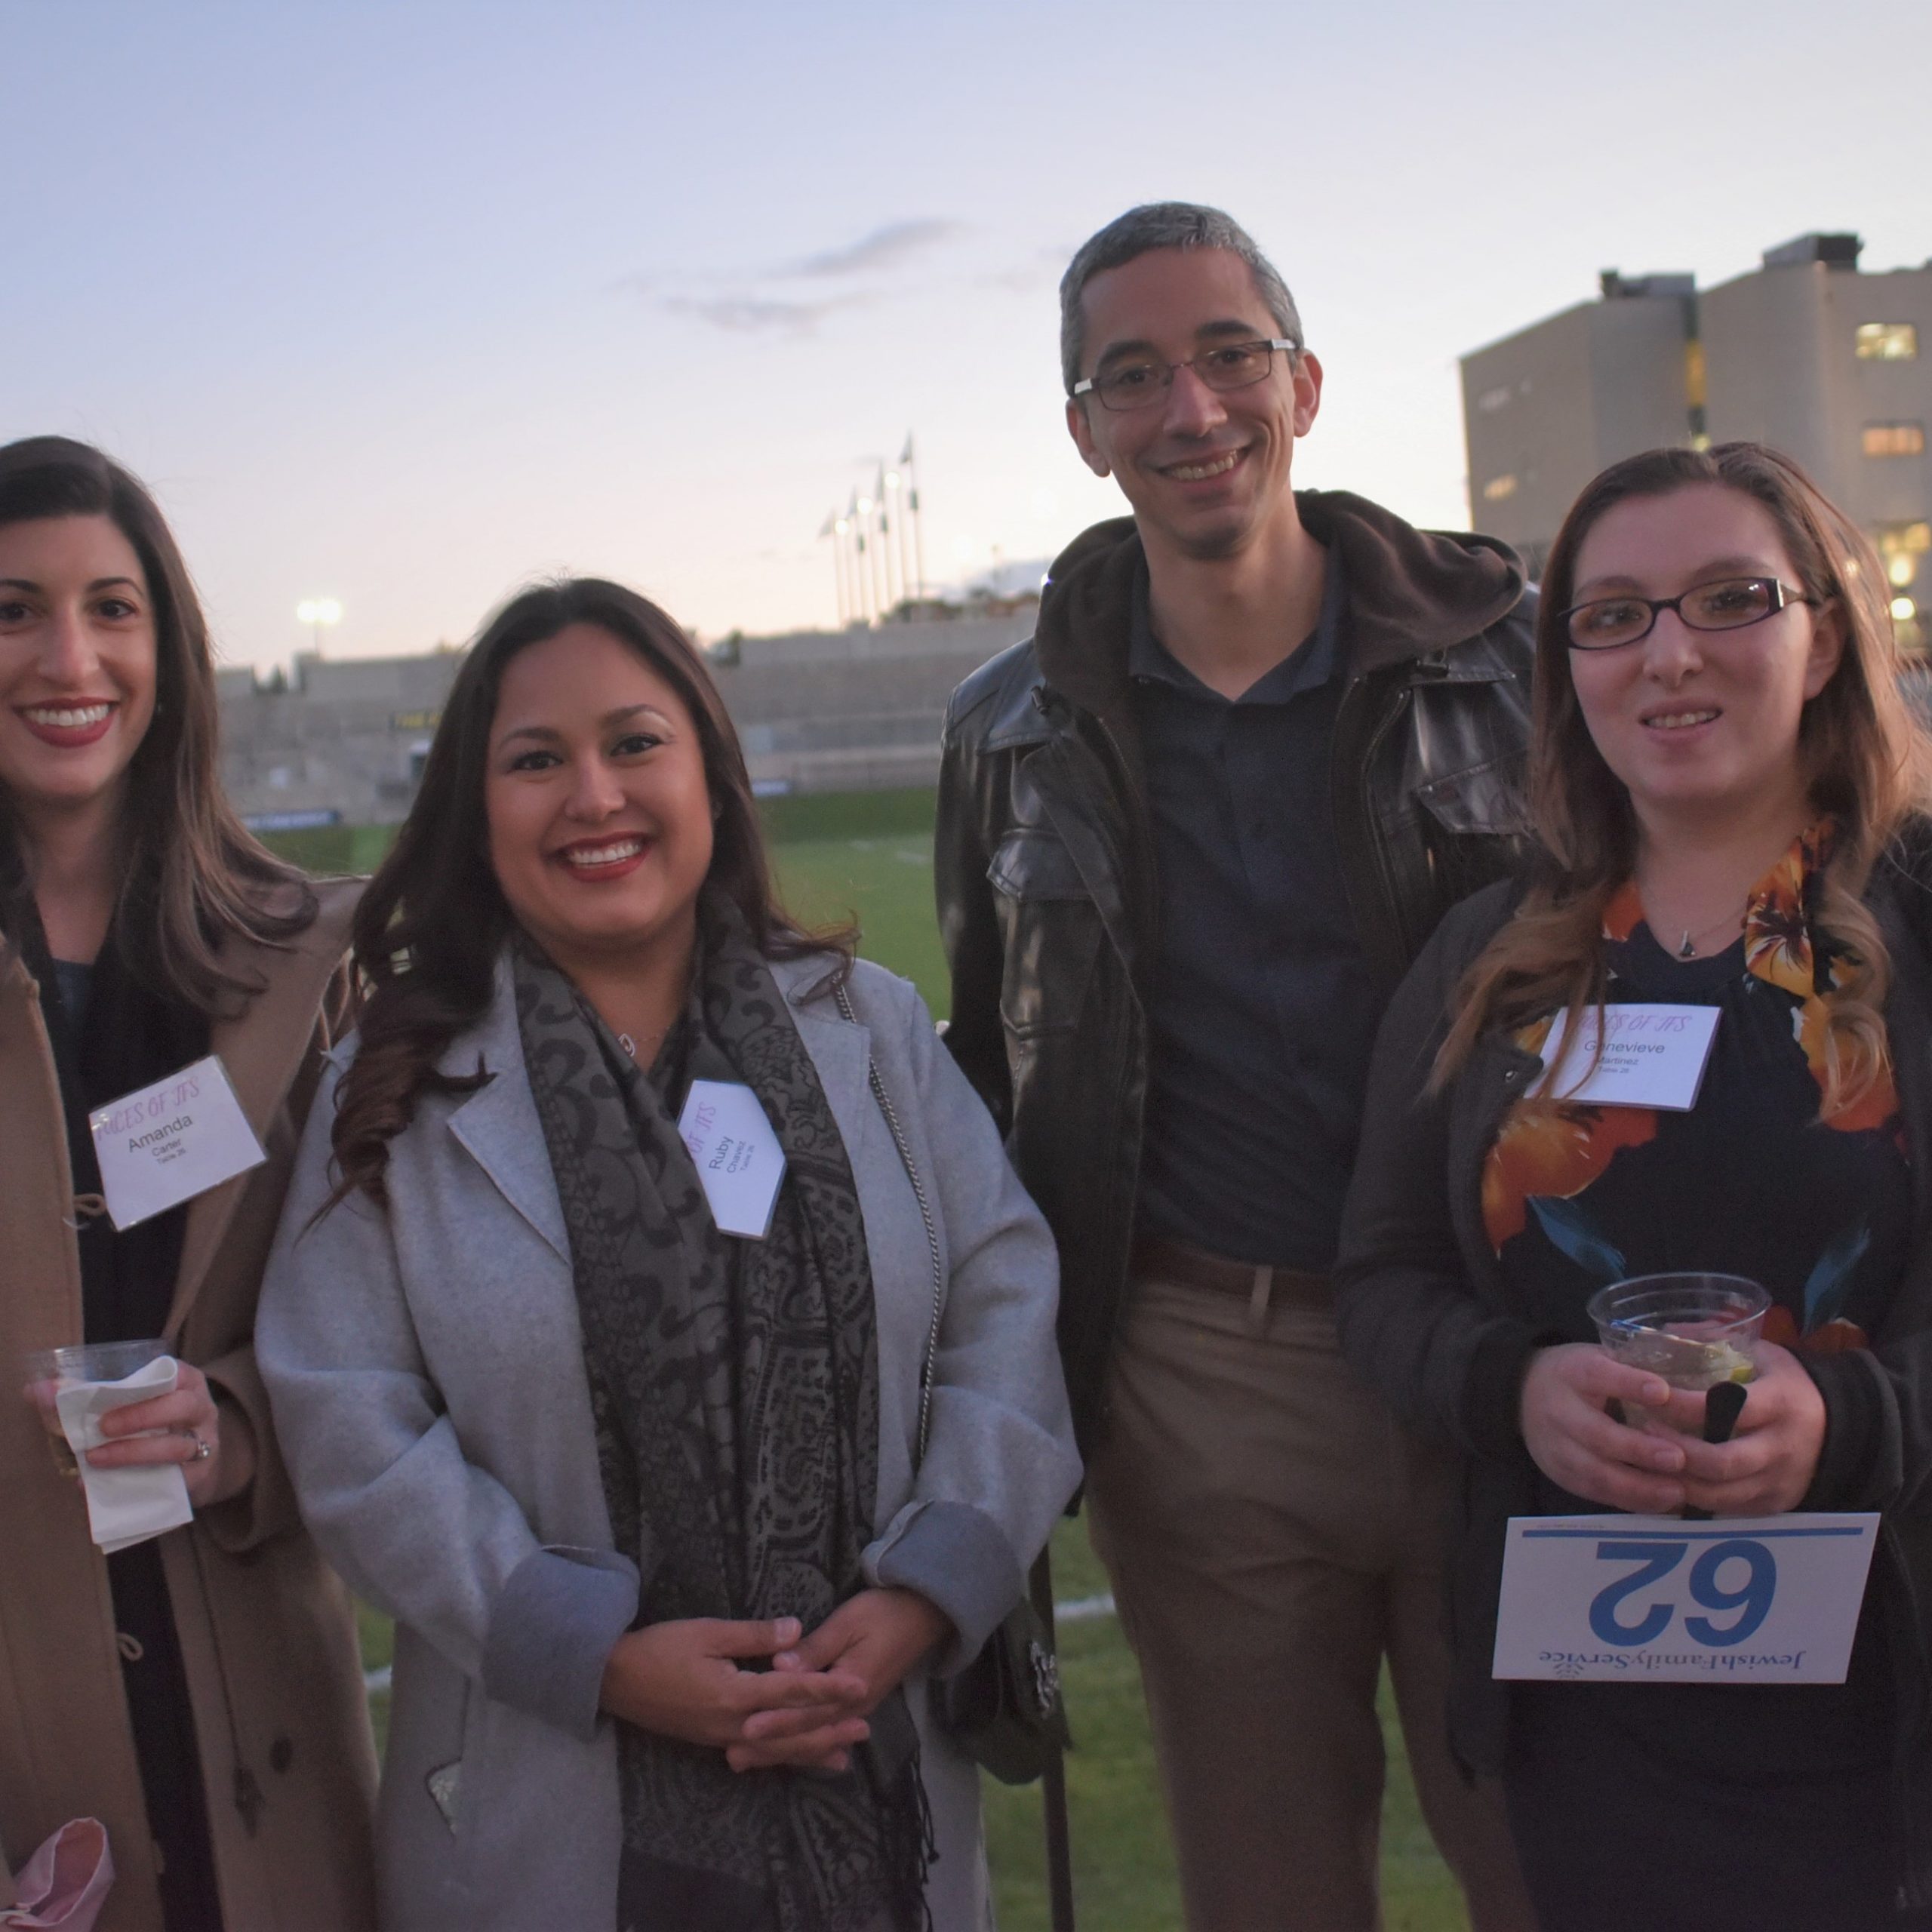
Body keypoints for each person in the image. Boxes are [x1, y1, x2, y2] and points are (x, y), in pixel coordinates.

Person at [258, 577, 1080, 1932]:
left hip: (874, 1773)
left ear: (709, 772)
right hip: (545, 1810)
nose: (595, 796)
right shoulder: (397, 1084)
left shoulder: (871, 1032)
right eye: (537, 761)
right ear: (477, 808)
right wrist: (588, 1651)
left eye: (635, 743)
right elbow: (346, 1421)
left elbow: (1005, 1299)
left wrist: (934, 1588)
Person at [935, 201, 1537, 1930]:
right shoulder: (1005, 725)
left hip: (1505, 1350)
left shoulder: (1511, 655)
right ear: (1082, 429)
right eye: (1132, 375)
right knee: (1267, 1895)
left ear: (1304, 383)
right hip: (1207, 1376)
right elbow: (984, 1069)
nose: (1189, 408)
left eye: (1225, 356)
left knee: (1561, 1870)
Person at [1334, 441, 1932, 1930]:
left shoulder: (1915, 923)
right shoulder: (1495, 954)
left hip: (1894, 1686)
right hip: (1595, 1707)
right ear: (1566, 671)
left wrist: (1852, 1418)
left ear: (1824, 636)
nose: (1669, 654)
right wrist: (1510, 1388)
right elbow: (1384, 1274)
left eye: (1729, 598)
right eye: (1610, 616)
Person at [0, 436, 377, 1932]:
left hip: (268, 1750)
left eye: (112, 606)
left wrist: (240, 1429)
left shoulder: (310, 965)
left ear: (171, 647)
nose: (68, 658)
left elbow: (402, 1337)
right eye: (12, 610)